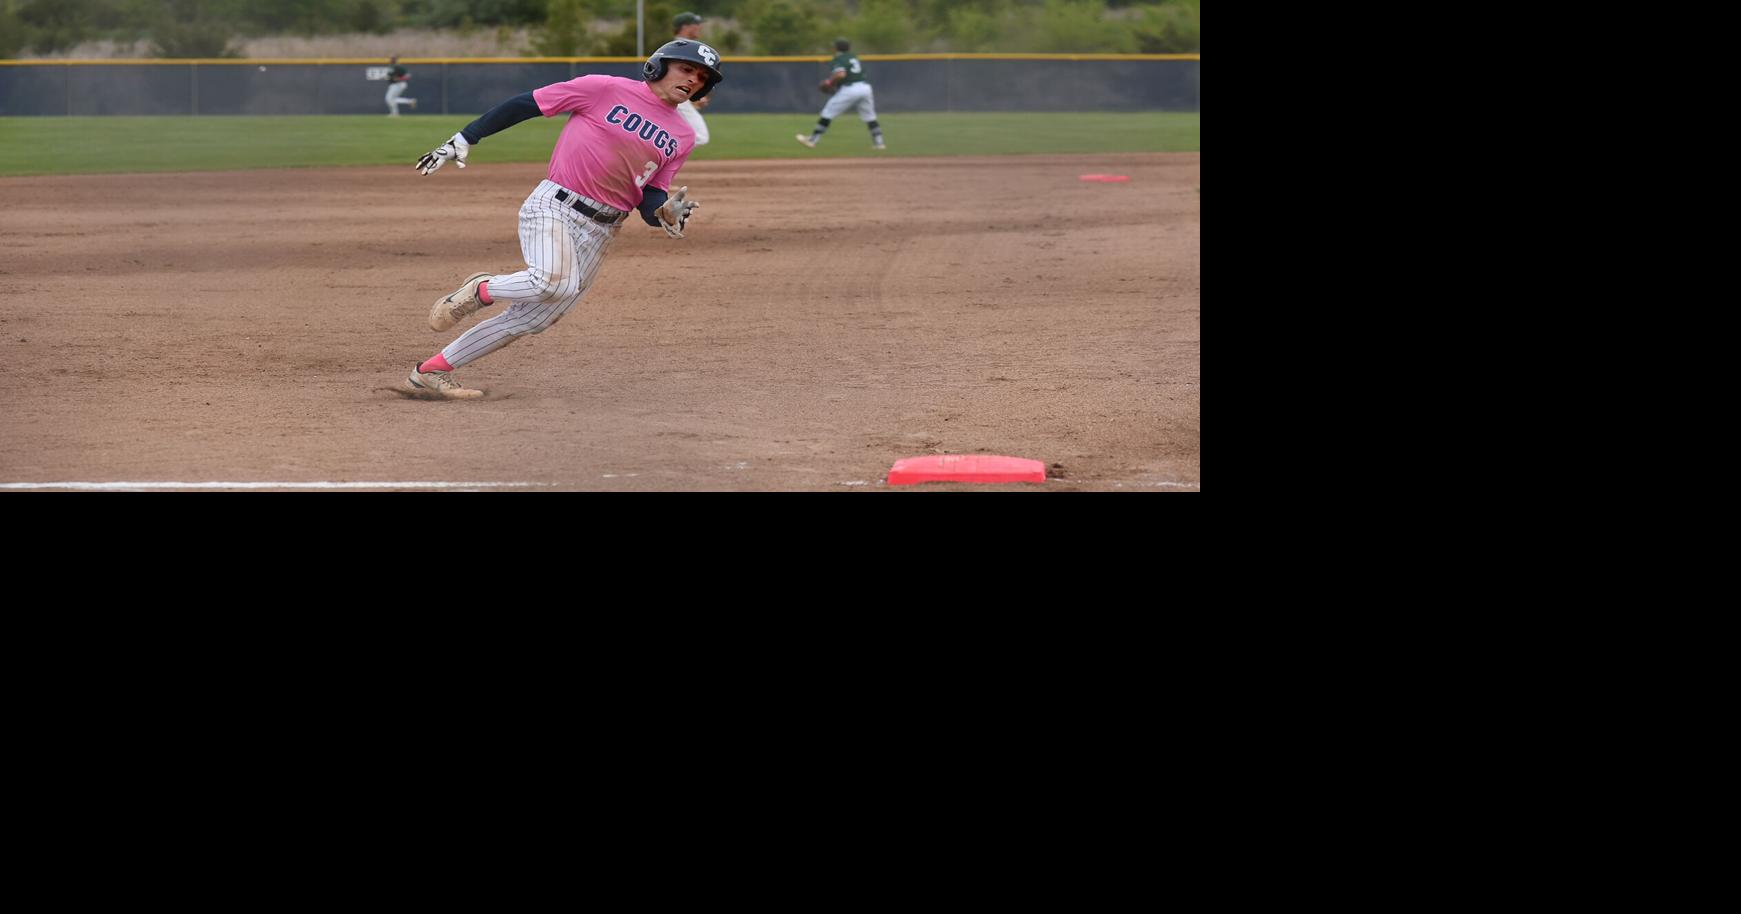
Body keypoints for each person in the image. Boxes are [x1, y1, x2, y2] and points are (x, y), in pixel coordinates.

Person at [398, 39, 721, 400]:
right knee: (554, 282)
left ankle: (432, 372)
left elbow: (650, 193)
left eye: (702, 77)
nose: (693, 79)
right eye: (687, 69)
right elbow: (527, 104)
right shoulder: (604, 88)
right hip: (556, 205)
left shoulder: (683, 136)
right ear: (659, 66)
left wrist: (664, 213)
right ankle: (482, 289)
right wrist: (467, 136)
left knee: (534, 318)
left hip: (603, 229)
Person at [797, 39, 884, 150]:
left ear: (836, 48)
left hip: (850, 89)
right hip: (865, 87)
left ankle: (812, 140)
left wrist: (829, 82)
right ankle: (879, 142)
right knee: (870, 116)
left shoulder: (839, 58)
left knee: (827, 112)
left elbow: (841, 74)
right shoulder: (853, 57)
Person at [671, 12, 711, 145]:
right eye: (696, 24)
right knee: (700, 136)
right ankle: (659, 150)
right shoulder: (681, 47)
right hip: (676, 95)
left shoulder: (682, 46)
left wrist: (695, 95)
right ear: (685, 27)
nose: (699, 27)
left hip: (678, 96)